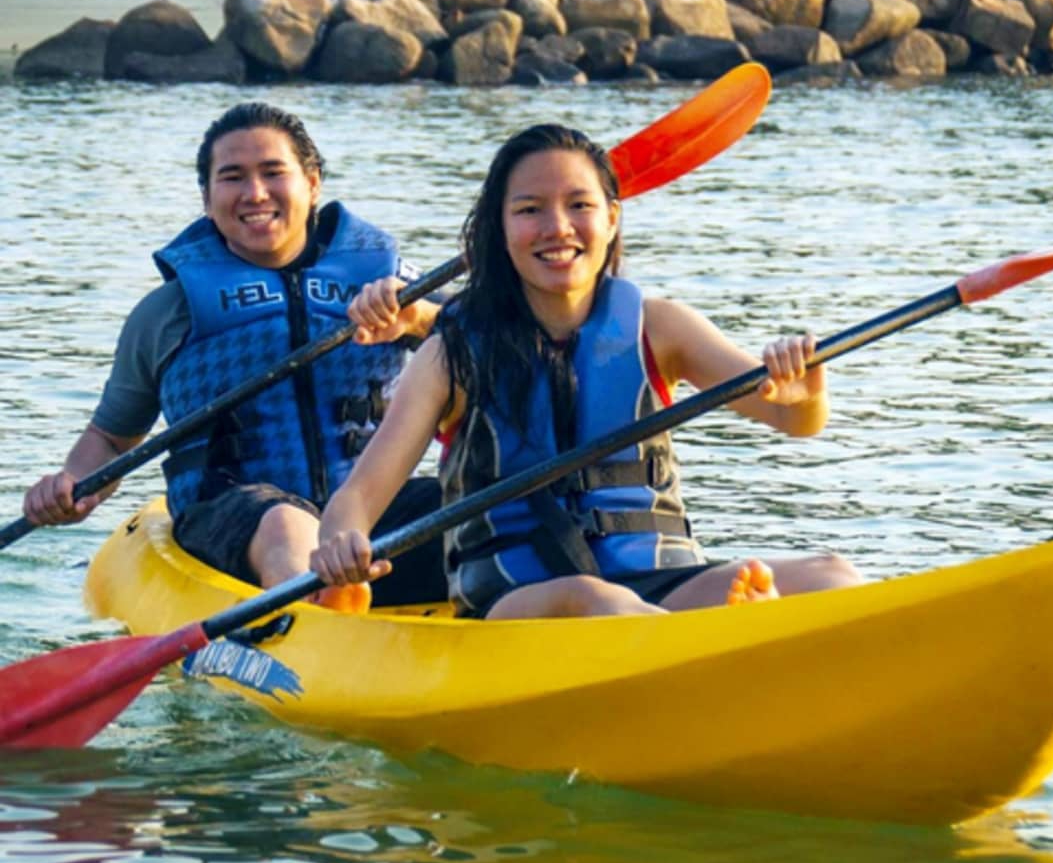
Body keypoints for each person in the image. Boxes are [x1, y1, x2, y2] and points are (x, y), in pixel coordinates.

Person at [312, 123, 861, 619]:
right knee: (595, 599)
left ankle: (734, 636)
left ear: (612, 217)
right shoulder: (449, 355)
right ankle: (728, 639)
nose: (558, 228)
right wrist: (343, 542)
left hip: (657, 581)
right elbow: (357, 500)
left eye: (579, 205)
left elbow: (796, 421)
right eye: (529, 210)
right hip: (518, 602)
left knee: (830, 576)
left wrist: (804, 391)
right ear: (500, 230)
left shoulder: (660, 328)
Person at [22, 101, 446, 610]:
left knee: (488, 501)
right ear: (207, 198)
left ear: (312, 185)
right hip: (233, 515)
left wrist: (420, 319)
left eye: (273, 172)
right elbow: (112, 437)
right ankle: (319, 619)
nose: (255, 193)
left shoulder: (394, 285)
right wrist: (73, 484)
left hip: (368, 513)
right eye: (232, 177)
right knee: (288, 525)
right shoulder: (167, 313)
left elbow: (496, 346)